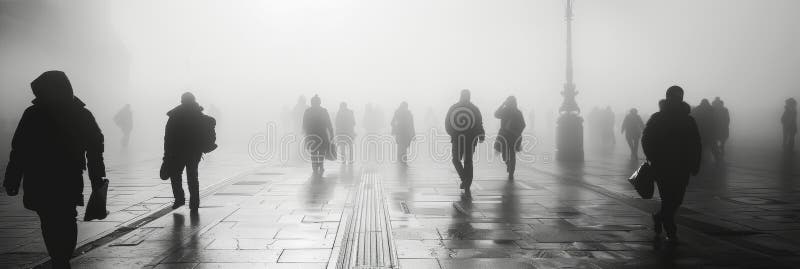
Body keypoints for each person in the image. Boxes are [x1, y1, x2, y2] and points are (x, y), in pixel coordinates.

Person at [3, 71, 107, 268]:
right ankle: (61, 257)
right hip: (65, 175)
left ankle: (60, 257)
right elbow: (95, 148)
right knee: (65, 217)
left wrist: (13, 177)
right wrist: (96, 177)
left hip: (42, 176)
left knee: (51, 219)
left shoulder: (33, 114)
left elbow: (19, 149)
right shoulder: (80, 113)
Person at [642, 85, 701, 244]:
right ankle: (670, 226)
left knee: (677, 199)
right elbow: (646, 139)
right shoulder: (658, 118)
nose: (676, 100)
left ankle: (660, 217)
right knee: (668, 197)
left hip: (682, 166)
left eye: (678, 97)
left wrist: (694, 162)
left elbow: (696, 143)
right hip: (663, 165)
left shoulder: (688, 120)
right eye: (674, 97)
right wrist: (654, 156)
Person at [164, 92, 216, 211]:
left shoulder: (175, 116)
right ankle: (194, 202)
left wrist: (166, 154)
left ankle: (179, 199)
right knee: (192, 176)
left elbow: (168, 137)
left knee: (175, 175)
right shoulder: (199, 115)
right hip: (194, 151)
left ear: (182, 101)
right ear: (193, 100)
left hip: (177, 151)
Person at [445, 89, 485, 192]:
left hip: (457, 139)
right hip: (471, 139)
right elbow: (479, 123)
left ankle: (465, 180)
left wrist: (452, 133)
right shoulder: (474, 108)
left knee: (456, 159)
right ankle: (467, 181)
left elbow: (448, 123)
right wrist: (481, 135)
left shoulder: (454, 107)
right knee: (468, 161)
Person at [493, 96, 525, 179]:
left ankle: (510, 168)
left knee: (505, 153)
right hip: (513, 136)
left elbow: (496, 114)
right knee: (512, 153)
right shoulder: (517, 112)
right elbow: (523, 124)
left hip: (505, 135)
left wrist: (502, 104)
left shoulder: (505, 111)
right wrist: (518, 133)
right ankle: (511, 169)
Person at [303, 95, 334, 175]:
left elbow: (304, 124)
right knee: (321, 151)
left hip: (311, 134)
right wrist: (331, 133)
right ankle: (320, 165)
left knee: (313, 151)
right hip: (322, 134)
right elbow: (328, 123)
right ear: (319, 102)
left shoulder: (308, 111)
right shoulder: (323, 111)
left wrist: (305, 132)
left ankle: (314, 166)